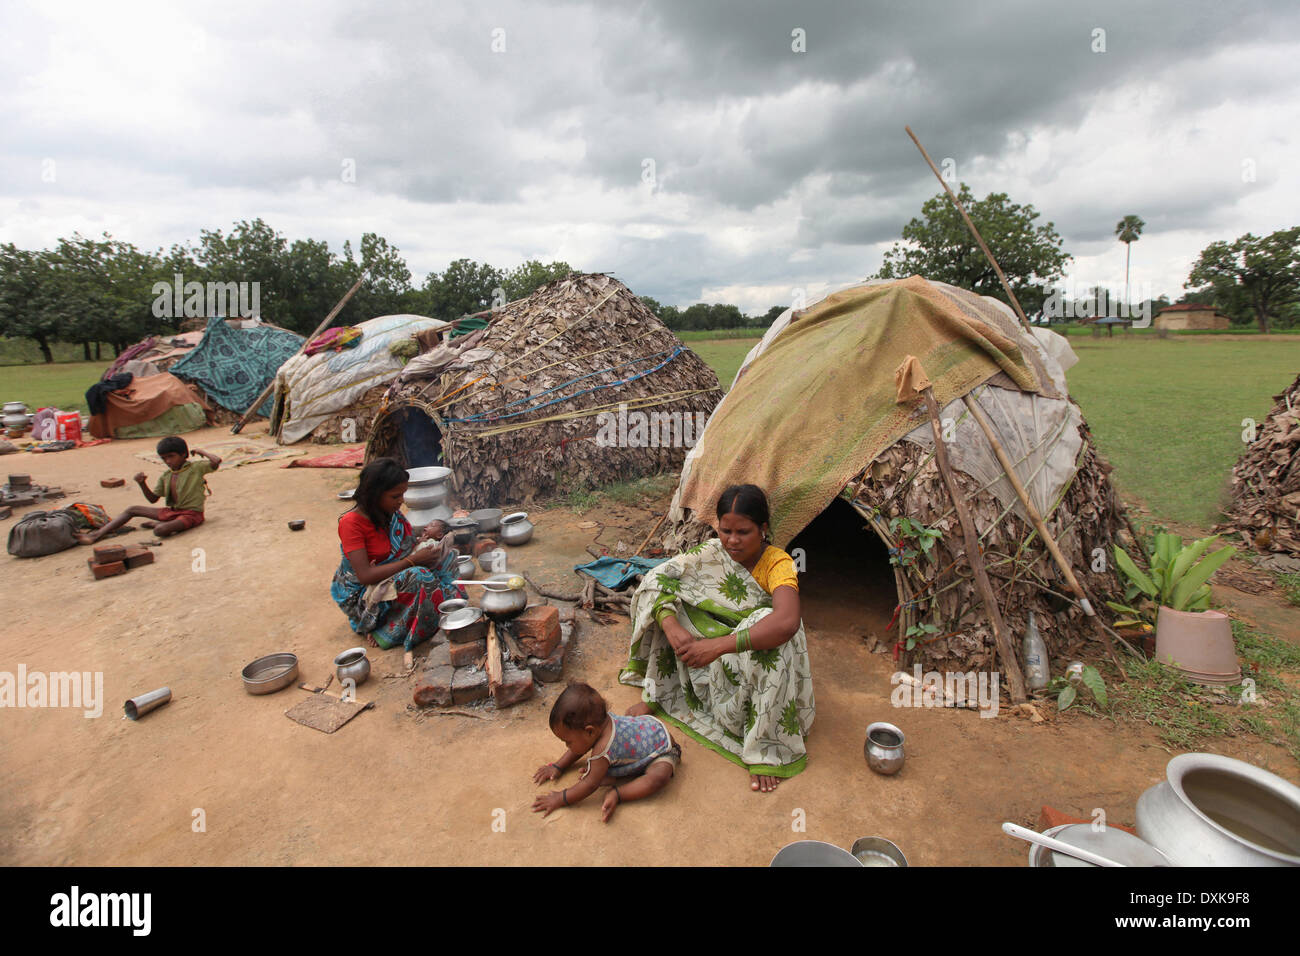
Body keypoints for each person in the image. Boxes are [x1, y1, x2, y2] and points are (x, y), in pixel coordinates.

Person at [619, 484, 813, 793]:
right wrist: (672, 626)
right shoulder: (710, 553)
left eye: (743, 532)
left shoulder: (778, 564)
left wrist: (718, 646)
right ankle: (662, 693)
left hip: (743, 657)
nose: (732, 541)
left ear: (763, 529)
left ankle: (766, 746)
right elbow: (656, 579)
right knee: (664, 597)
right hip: (702, 654)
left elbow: (787, 621)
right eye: (725, 531)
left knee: (769, 627)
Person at [330, 457, 462, 666]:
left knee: (449, 557)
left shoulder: (391, 514)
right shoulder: (351, 523)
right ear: (374, 494)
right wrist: (412, 560)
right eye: (395, 496)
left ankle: (449, 606)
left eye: (402, 494)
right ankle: (386, 629)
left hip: (391, 576)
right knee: (420, 577)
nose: (401, 500)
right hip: (364, 596)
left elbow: (406, 547)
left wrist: (424, 547)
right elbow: (365, 575)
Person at [532, 682, 680, 823]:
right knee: (603, 761)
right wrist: (558, 766)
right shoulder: (601, 722)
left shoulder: (602, 749)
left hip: (663, 750)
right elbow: (579, 748)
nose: (567, 746)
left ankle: (619, 793)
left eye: (568, 742)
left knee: (658, 777)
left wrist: (561, 798)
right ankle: (613, 772)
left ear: (589, 731)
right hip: (647, 730)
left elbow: (589, 784)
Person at [76, 436, 220, 544]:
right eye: (164, 458)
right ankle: (96, 535)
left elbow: (216, 461)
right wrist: (142, 484)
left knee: (160, 531)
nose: (168, 461)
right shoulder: (166, 475)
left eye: (171, 456)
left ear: (184, 454)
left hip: (191, 514)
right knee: (132, 509)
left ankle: (159, 524)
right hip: (172, 512)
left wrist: (201, 451)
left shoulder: (196, 468)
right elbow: (153, 499)